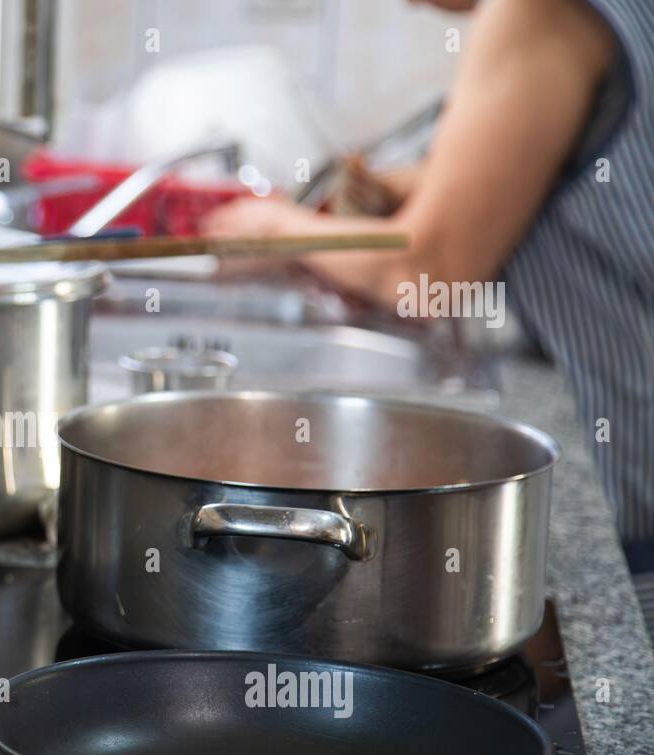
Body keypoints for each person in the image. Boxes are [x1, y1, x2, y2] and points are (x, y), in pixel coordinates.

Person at [206, 0, 654, 633]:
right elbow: (533, 173)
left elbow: (424, 273)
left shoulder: (536, 11)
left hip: (620, 477)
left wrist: (274, 229)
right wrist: (408, 190)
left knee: (618, 720)